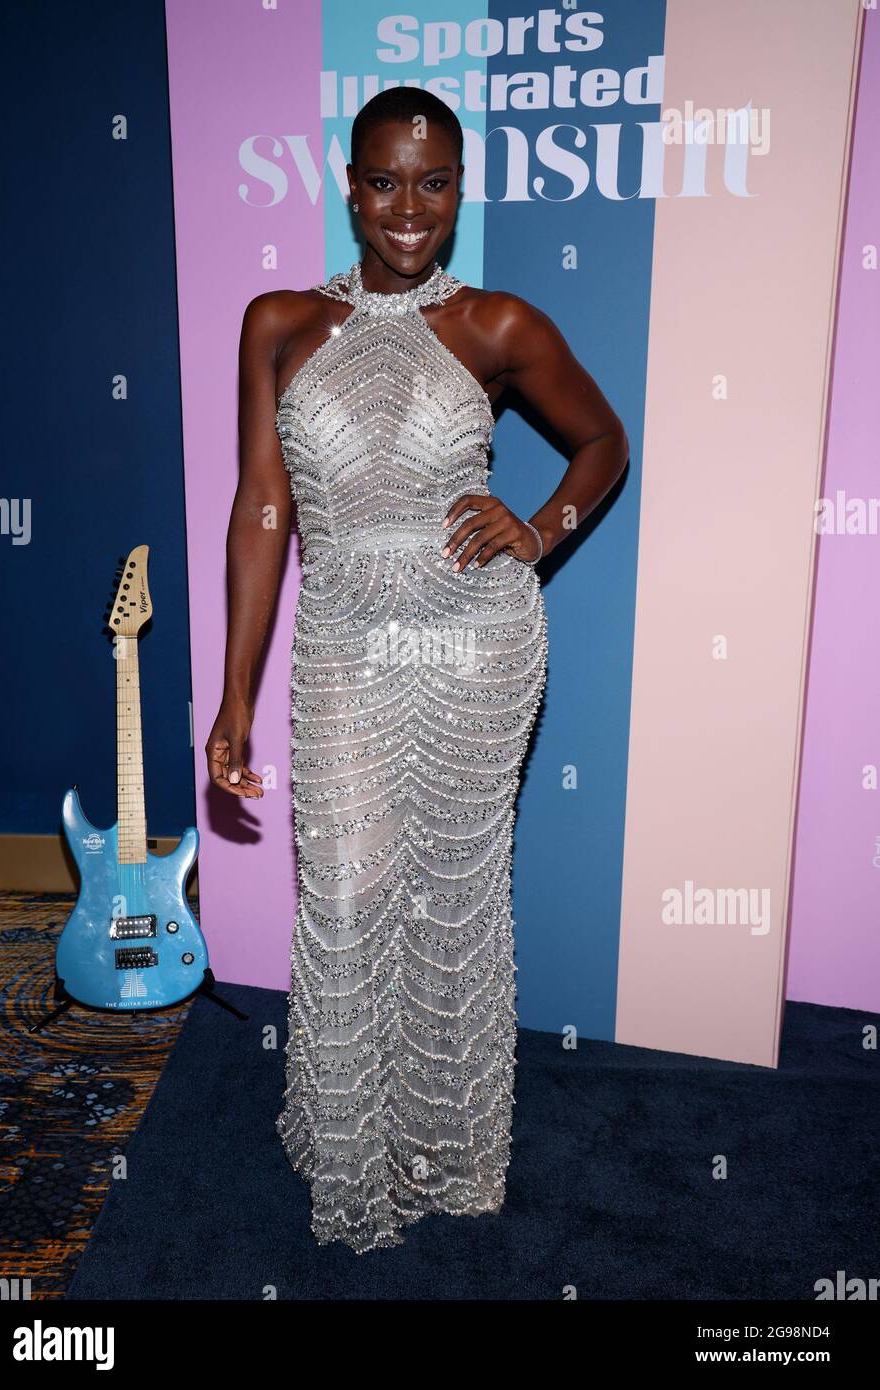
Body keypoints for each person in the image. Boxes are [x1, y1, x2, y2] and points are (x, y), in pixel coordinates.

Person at [206, 87, 628, 1253]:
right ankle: (351, 1147)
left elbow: (604, 441)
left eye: (432, 182)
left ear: (457, 190)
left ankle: (442, 1148)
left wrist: (539, 529)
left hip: (471, 647)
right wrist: (235, 693)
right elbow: (261, 507)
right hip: (342, 635)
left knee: (447, 900)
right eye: (384, 181)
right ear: (349, 185)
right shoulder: (278, 320)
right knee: (343, 896)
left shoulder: (495, 325)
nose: (408, 208)